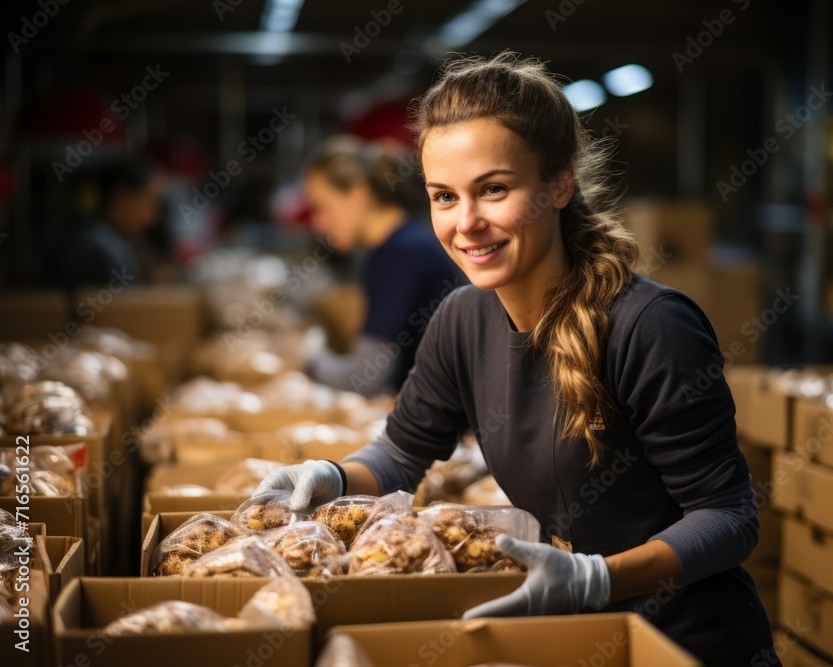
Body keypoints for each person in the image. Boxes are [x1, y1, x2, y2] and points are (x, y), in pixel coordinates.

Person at [258, 53, 776, 664]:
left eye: (494, 189)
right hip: (568, 640)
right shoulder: (460, 320)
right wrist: (335, 476)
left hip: (686, 645)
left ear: (560, 183)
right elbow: (402, 452)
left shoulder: (651, 326)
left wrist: (597, 578)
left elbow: (728, 516)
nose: (466, 223)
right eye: (444, 197)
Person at [302, 135, 460, 396]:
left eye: (322, 207)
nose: (318, 224)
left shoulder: (401, 254)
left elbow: (365, 376)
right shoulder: (399, 246)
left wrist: (303, 361)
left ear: (357, 192)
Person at [62, 156, 163, 290]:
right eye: (148, 203)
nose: (151, 218)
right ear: (121, 197)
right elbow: (128, 309)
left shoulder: (100, 240)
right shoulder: (103, 252)